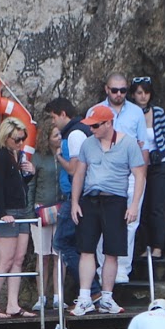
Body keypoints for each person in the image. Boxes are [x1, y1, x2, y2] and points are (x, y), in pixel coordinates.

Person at [69, 105, 145, 316]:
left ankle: (107, 297)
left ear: (108, 123)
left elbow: (140, 175)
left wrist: (134, 205)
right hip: (90, 199)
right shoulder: (87, 144)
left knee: (111, 251)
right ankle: (85, 297)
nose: (92, 129)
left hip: (116, 200)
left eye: (95, 125)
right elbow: (79, 174)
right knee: (86, 249)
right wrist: (75, 202)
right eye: (90, 126)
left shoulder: (128, 143)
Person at [99, 73, 153, 283]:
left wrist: (142, 174)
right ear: (107, 89)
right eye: (115, 90)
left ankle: (123, 268)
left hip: (131, 173)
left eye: (123, 90)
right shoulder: (97, 111)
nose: (119, 94)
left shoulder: (136, 112)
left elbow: (144, 145)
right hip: (106, 174)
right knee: (103, 222)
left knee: (130, 221)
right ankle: (102, 268)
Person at [45, 97, 93, 313]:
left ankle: (93, 287)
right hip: (81, 196)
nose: (53, 123)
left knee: (62, 243)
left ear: (63, 113)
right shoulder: (79, 131)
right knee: (77, 245)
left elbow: (74, 168)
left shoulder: (74, 135)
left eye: (54, 117)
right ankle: (92, 288)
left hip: (76, 197)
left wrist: (58, 157)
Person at [0, 117, 35, 318]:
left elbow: (20, 184)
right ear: (6, 137)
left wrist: (29, 173)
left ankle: (13, 304)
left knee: (18, 259)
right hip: (9, 212)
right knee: (4, 260)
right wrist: (3, 213)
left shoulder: (18, 154)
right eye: (17, 139)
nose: (21, 143)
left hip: (22, 210)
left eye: (23, 139)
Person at [128, 76, 165, 260]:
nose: (143, 96)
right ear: (133, 94)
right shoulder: (129, 114)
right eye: (139, 93)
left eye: (146, 92)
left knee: (157, 206)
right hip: (136, 167)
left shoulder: (158, 113)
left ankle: (157, 247)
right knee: (140, 206)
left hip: (157, 165)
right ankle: (143, 245)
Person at [28, 123, 64, 309]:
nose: (60, 138)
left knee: (59, 254)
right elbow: (31, 185)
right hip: (41, 209)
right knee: (43, 255)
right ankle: (42, 297)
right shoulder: (38, 158)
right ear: (47, 138)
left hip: (61, 208)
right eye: (56, 135)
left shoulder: (64, 155)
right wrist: (30, 211)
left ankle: (58, 295)